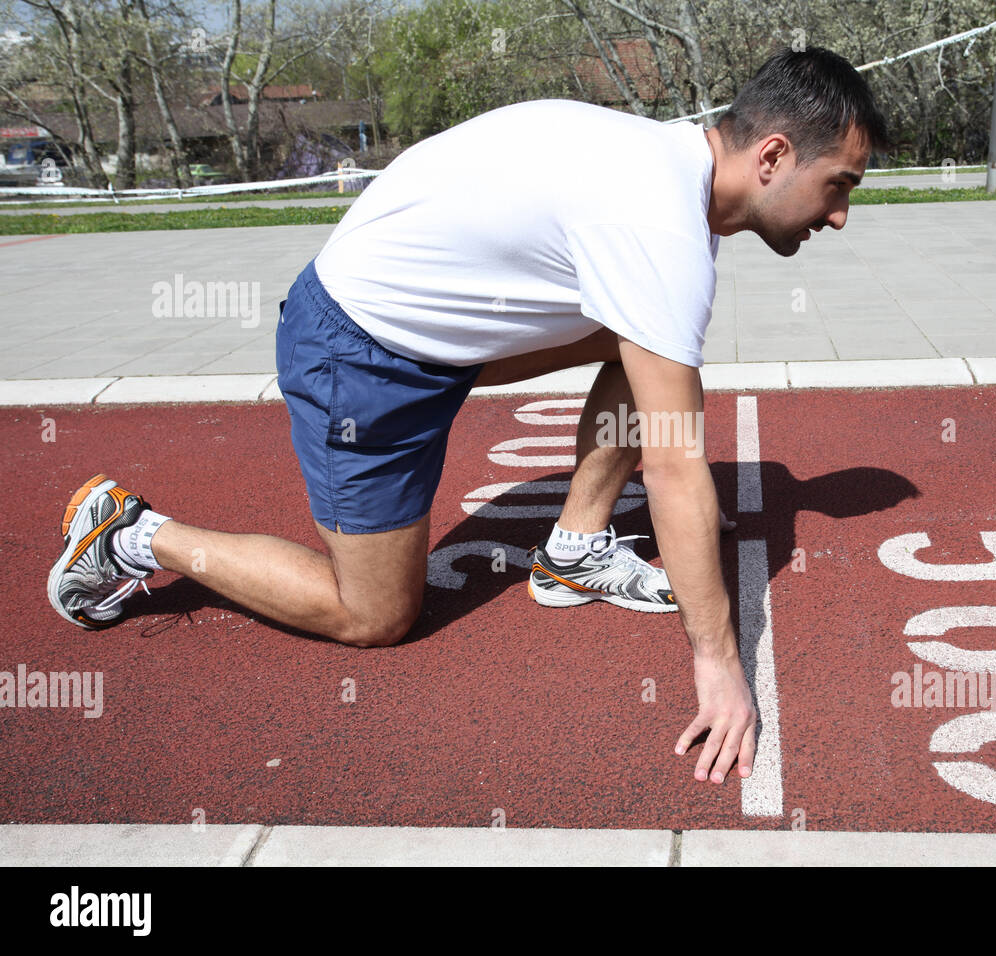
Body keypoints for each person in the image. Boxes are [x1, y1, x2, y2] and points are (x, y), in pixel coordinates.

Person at [47, 46, 888, 786]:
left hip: (420, 327)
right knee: (373, 616)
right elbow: (672, 463)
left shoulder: (670, 167)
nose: (841, 215)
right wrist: (719, 664)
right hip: (359, 353)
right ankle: (131, 532)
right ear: (774, 155)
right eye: (838, 184)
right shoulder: (657, 218)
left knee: (649, 343)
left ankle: (574, 552)